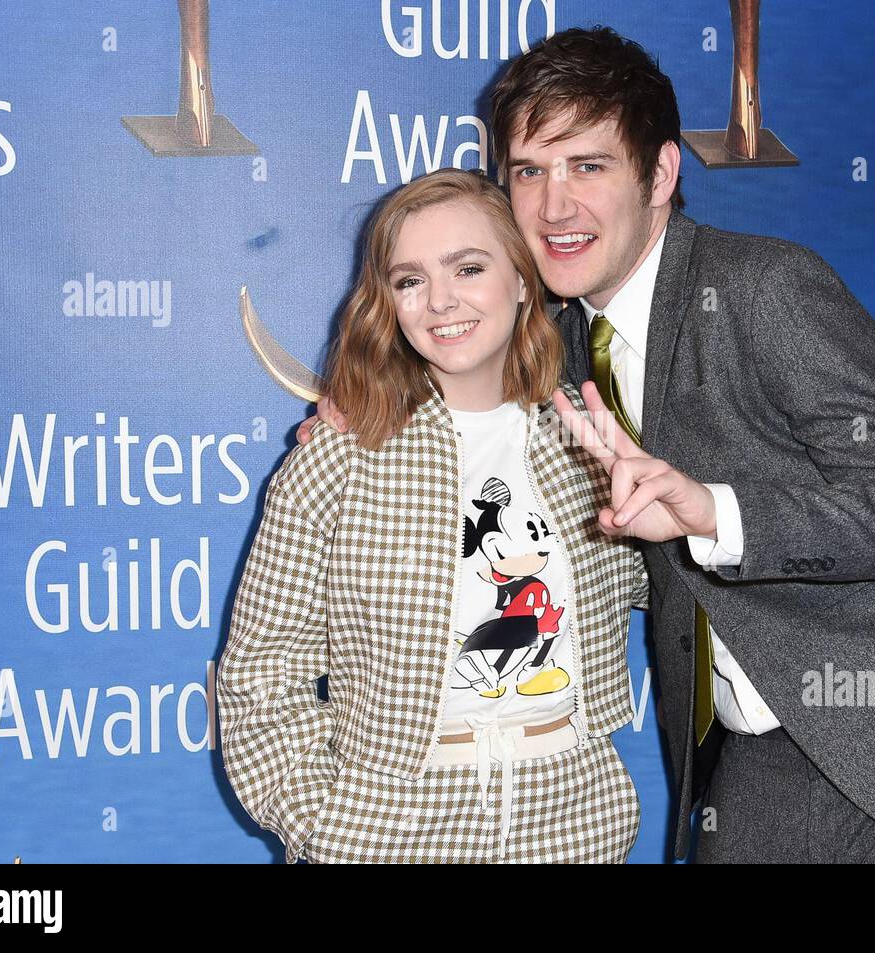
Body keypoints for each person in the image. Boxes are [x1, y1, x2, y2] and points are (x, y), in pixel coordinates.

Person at [302, 27, 875, 863]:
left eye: (587, 167)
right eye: (529, 171)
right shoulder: (548, 339)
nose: (554, 207)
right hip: (756, 759)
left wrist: (716, 513)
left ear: (661, 174)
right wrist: (373, 402)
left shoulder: (763, 289)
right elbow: (457, 362)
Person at [217, 167, 661, 864]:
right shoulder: (338, 457)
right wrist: (325, 825)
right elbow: (260, 675)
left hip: (572, 819)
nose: (441, 301)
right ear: (387, 302)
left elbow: (670, 584)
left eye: (469, 267)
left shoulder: (587, 437)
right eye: (410, 279)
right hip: (391, 827)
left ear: (521, 280)